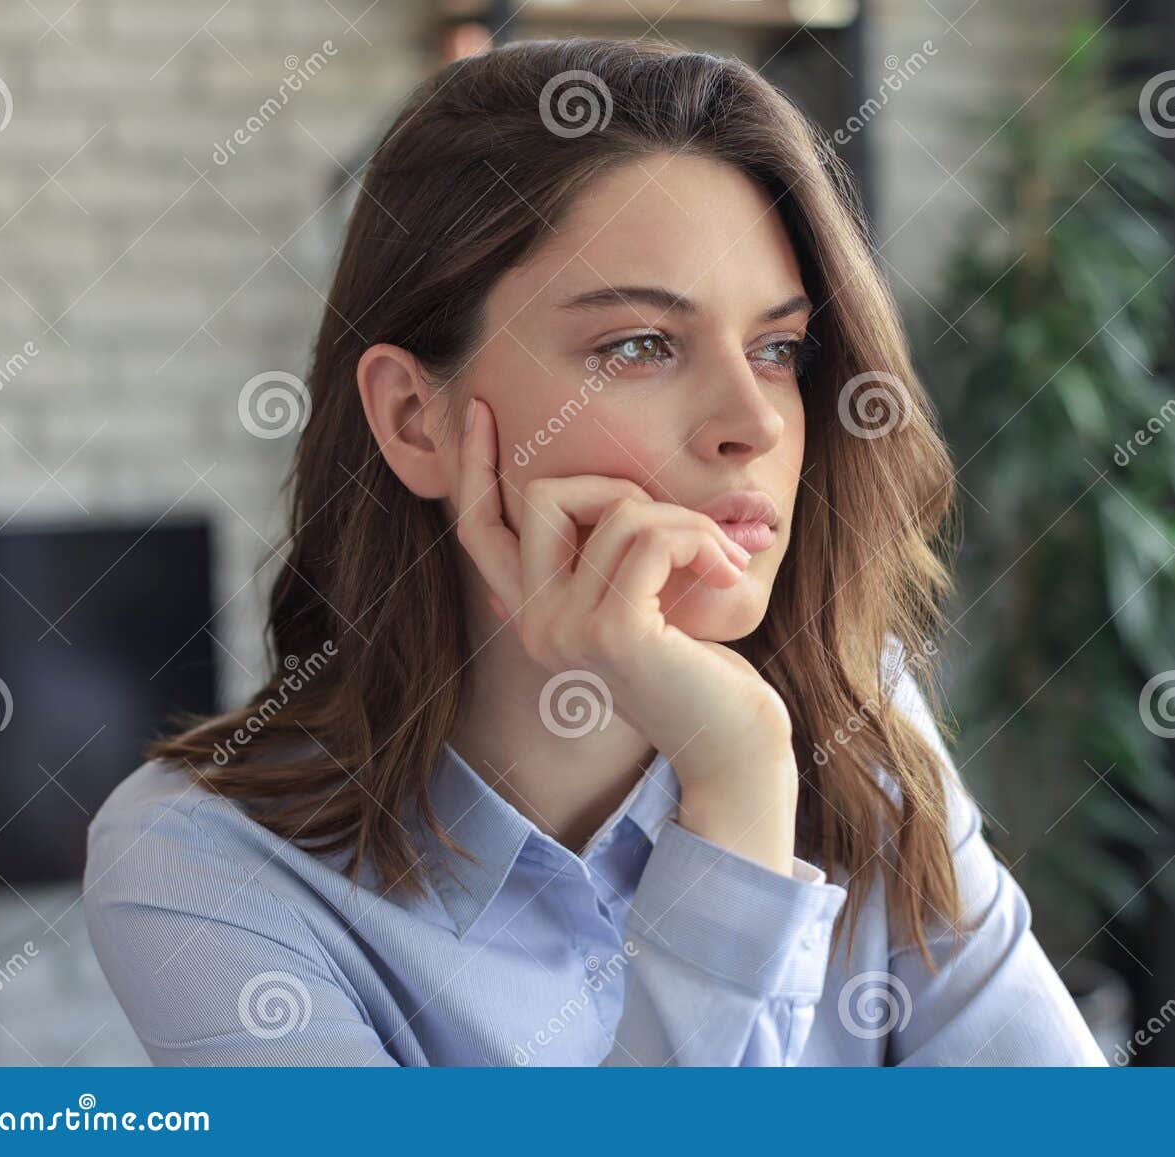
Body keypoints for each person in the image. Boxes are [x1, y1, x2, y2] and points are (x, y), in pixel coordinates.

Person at [84, 36, 1106, 1067]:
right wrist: (736, 788)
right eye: (638, 346)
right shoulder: (201, 862)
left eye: (777, 350)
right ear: (413, 419)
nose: (751, 421)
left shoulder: (864, 724)